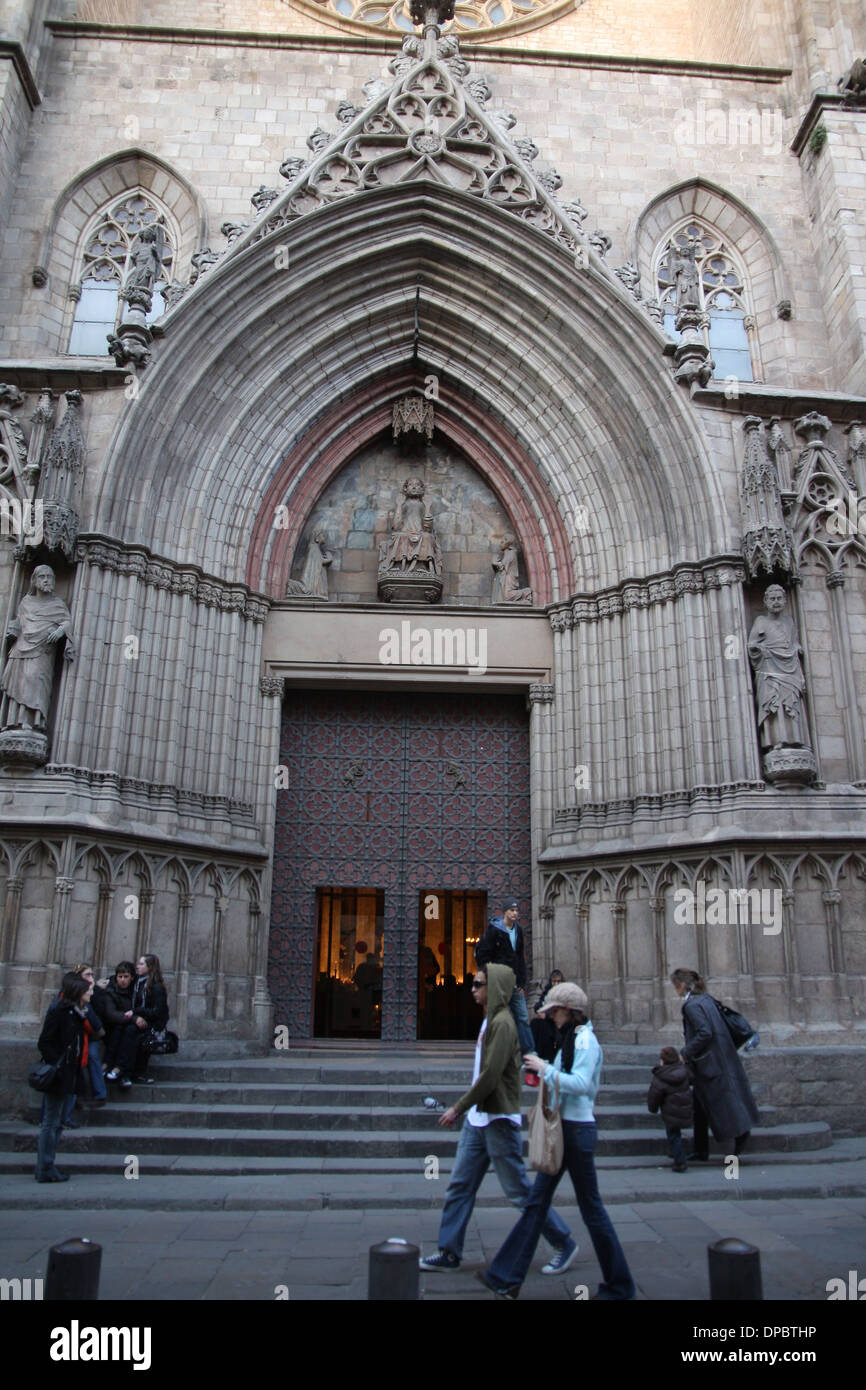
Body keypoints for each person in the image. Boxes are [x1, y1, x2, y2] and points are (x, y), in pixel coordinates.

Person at [478, 982, 635, 1300]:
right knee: (537, 1203)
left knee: (591, 1210)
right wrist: (542, 1070)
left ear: (569, 1011)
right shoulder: (571, 1040)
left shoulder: (586, 1041)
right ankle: (505, 1276)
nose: (551, 1018)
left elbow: (579, 1084)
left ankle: (620, 1286)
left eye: (554, 1012)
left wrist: (545, 1069)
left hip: (577, 1133)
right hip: (564, 1129)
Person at [418, 962, 575, 1275]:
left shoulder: (503, 1024)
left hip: (497, 1118)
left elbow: (490, 1075)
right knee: (460, 1185)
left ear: (496, 989)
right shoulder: (490, 1020)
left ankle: (563, 1242)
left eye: (478, 984)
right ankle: (449, 1251)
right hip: (479, 1119)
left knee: (517, 1190)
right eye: (474, 984)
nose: (473, 989)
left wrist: (457, 1107)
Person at [670, 968, 759, 1161]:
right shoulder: (707, 1000)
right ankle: (701, 1149)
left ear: (683, 985)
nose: (675, 989)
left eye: (676, 985)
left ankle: (740, 1134)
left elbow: (705, 1032)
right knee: (700, 1106)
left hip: (708, 1063)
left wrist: (686, 1053)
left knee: (720, 1102)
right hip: (721, 1058)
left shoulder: (691, 1006)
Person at [35, 974, 91, 1182]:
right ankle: (45, 1167)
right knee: (51, 1122)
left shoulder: (77, 1012)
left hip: (70, 1074)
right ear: (78, 992)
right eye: (88, 989)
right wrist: (57, 1066)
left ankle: (48, 1165)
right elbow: (45, 1042)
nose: (91, 992)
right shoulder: (59, 1011)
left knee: (58, 1122)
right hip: (60, 1074)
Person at [475, 897, 535, 1062]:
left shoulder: (518, 931)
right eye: (512, 910)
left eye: (516, 911)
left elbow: (519, 957)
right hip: (499, 982)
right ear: (505, 911)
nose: (515, 914)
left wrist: (522, 982)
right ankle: (492, 1052)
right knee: (497, 1016)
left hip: (515, 982)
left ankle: (529, 1053)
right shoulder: (494, 930)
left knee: (522, 1016)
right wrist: (489, 976)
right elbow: (484, 954)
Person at [106, 954, 169, 1088]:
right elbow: (120, 978)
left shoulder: (156, 987)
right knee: (120, 1028)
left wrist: (136, 1011)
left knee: (130, 1031)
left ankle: (121, 1069)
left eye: (141, 964)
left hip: (151, 1024)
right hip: (139, 1020)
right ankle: (112, 1066)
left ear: (150, 967)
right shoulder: (138, 983)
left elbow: (159, 1012)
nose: (137, 966)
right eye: (138, 964)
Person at [647, 1044, 693, 1172]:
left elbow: (654, 1095)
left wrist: (653, 1108)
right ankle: (677, 1154)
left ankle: (680, 1161)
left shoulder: (661, 1076)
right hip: (683, 1108)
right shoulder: (683, 1071)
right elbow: (692, 1078)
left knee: (673, 1135)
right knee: (676, 1133)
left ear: (662, 1061)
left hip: (670, 1110)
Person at [100, 962, 136, 1074]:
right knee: (119, 1028)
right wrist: (133, 1018)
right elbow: (111, 1013)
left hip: (129, 1026)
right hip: (113, 1025)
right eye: (120, 977)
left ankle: (118, 1068)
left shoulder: (135, 991)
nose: (123, 980)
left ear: (131, 978)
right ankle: (111, 1064)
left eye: (126, 977)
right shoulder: (111, 991)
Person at [530, 968, 565, 1062]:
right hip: (546, 1020)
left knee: (546, 1029)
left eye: (558, 981)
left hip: (556, 1023)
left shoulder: (564, 994)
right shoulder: (547, 992)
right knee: (535, 1023)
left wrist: (547, 1016)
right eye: (554, 981)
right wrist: (540, 1011)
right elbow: (538, 1005)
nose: (556, 984)